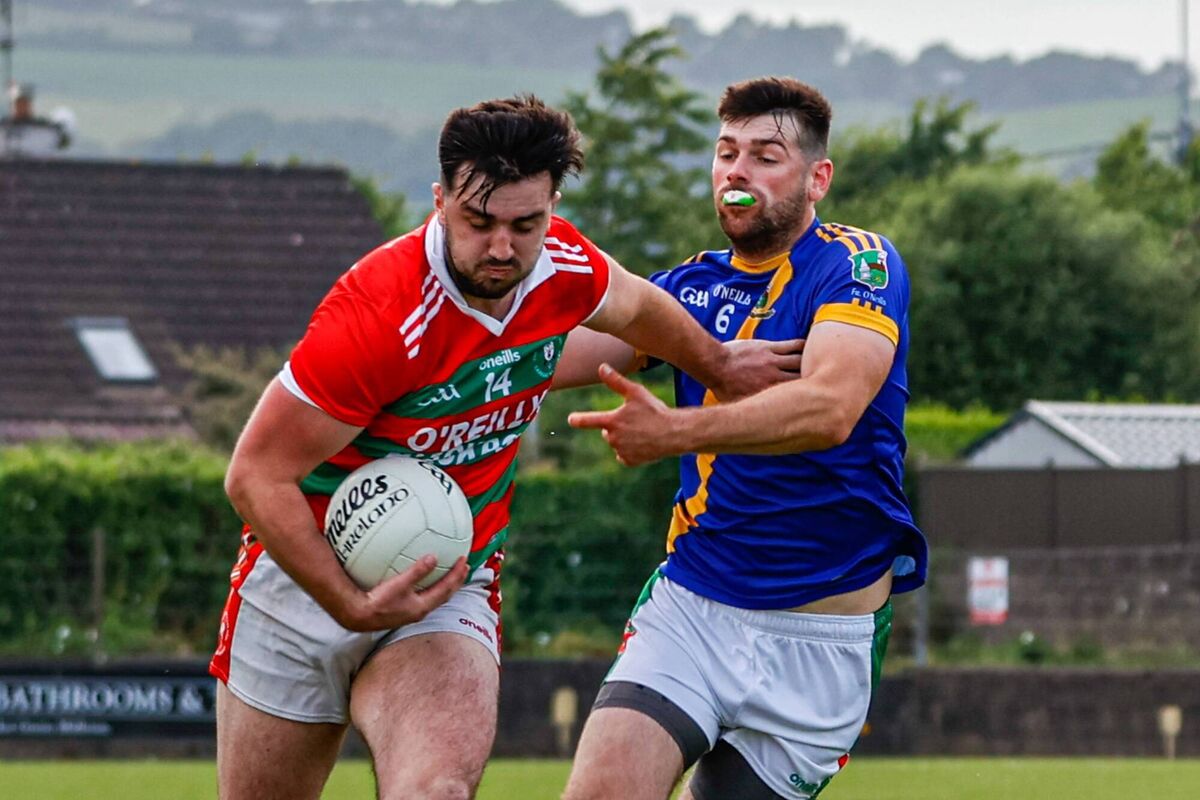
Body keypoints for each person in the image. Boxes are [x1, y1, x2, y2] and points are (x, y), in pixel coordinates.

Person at [208, 95, 799, 800]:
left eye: (526, 224)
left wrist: (720, 366)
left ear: (551, 205)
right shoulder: (376, 318)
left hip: (446, 589)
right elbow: (254, 478)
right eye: (478, 222)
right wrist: (348, 604)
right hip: (299, 590)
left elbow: (640, 308)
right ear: (440, 200)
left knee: (437, 792)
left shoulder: (564, 266)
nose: (501, 248)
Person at [557, 77, 929, 800]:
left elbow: (829, 409)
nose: (737, 172)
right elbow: (542, 360)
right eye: (727, 153)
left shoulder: (858, 265)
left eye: (765, 156)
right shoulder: (689, 288)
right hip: (694, 609)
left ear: (817, 178)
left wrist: (673, 432)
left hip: (823, 643)